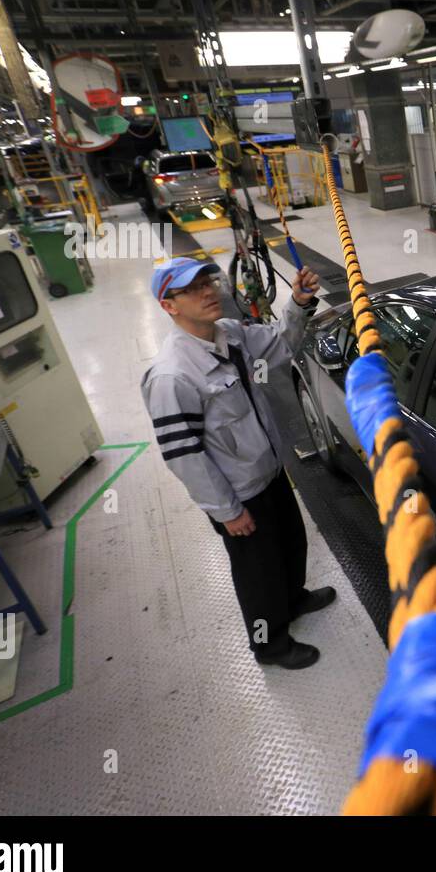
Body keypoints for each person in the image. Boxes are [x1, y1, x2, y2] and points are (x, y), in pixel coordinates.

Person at [142, 257, 334, 669]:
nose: (208, 291)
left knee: (290, 543)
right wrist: (227, 511)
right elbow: (184, 455)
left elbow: (281, 343)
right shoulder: (172, 377)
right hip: (239, 492)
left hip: (268, 469)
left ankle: (294, 599)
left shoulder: (228, 334)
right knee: (257, 571)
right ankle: (270, 644)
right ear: (169, 306)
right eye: (190, 289)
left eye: (207, 282)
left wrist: (299, 302)